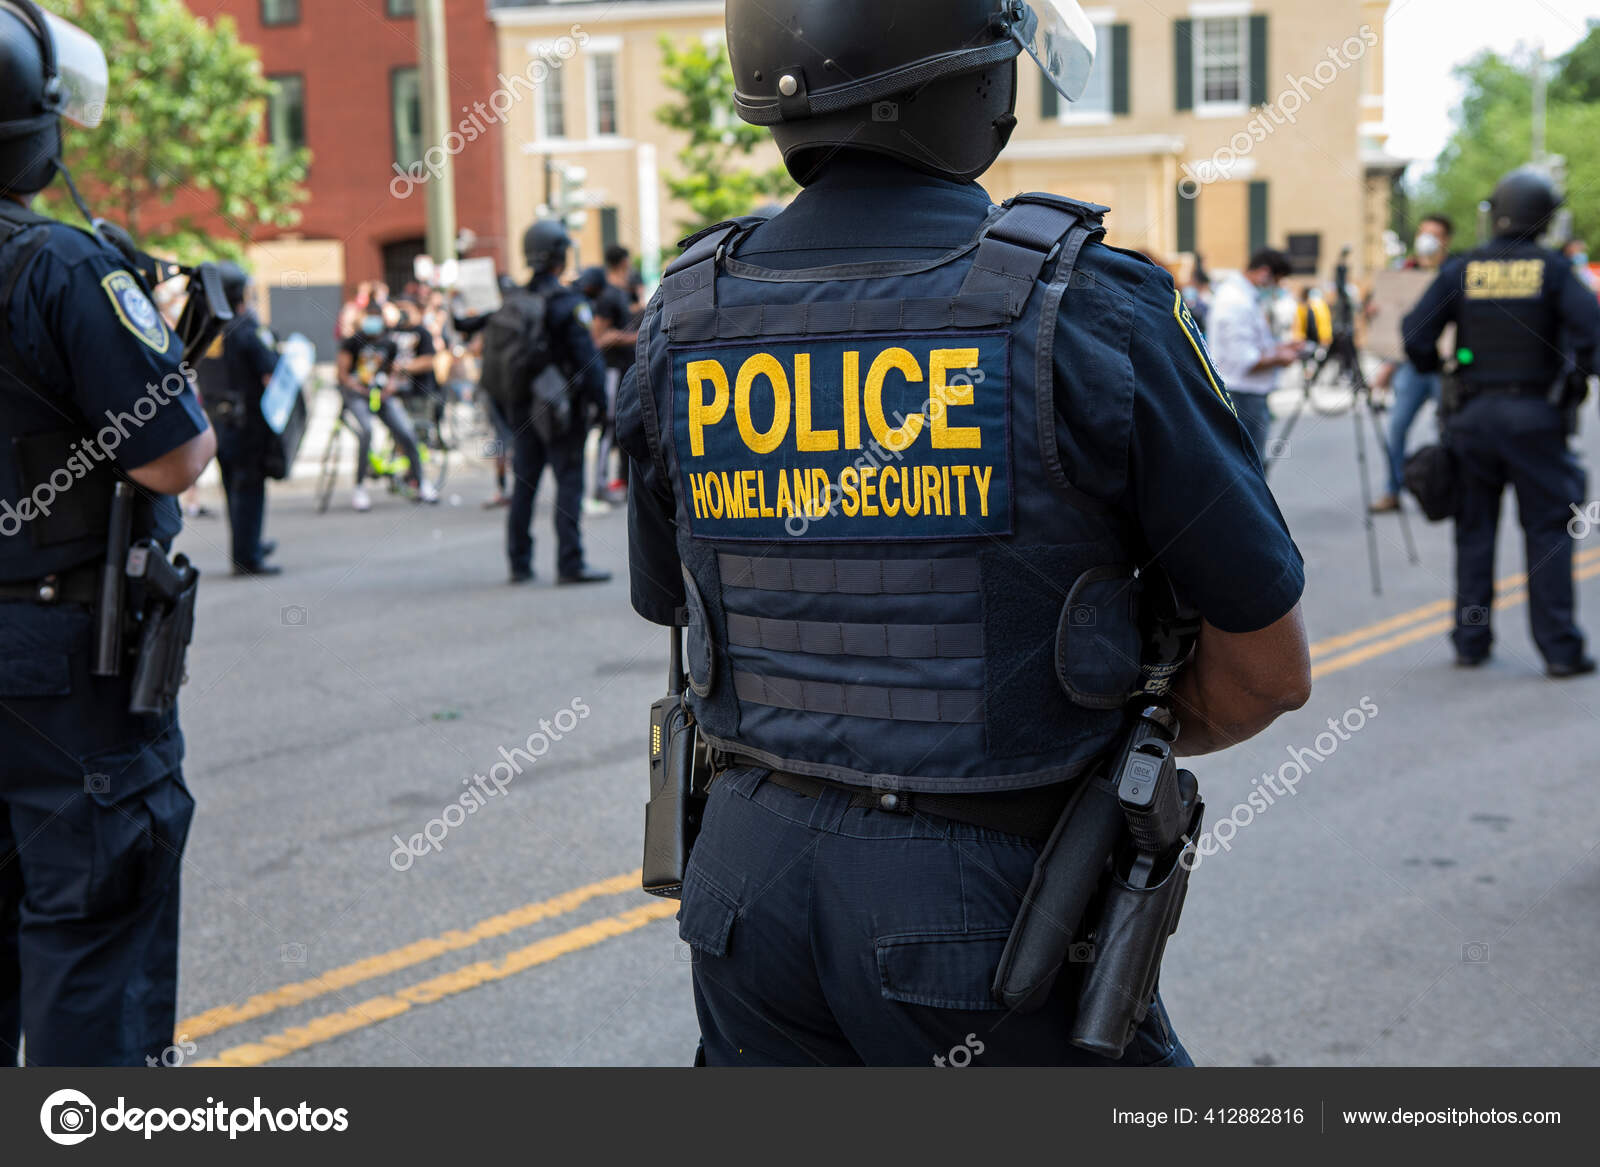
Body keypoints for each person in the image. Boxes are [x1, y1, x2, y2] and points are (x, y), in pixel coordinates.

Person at [617, 0, 1311, 1068]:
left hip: (744, 898)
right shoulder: (1087, 305)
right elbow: (1265, 671)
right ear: (975, 81)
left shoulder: (684, 314)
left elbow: (680, 611)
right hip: (987, 904)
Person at [0, 0, 216, 1065]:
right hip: (57, 672)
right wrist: (164, 344)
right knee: (94, 961)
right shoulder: (64, 267)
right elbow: (171, 455)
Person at [1405, 168, 1600, 677]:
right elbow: (1592, 334)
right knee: (1548, 533)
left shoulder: (1464, 269)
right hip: (1536, 418)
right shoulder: (1553, 270)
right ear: (1544, 219)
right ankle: (1560, 651)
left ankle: (1471, 640)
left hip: (1473, 417)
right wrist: (1574, 375)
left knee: (1474, 532)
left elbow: (1415, 335)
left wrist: (1442, 369)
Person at [504, 220, 609, 585]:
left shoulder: (515, 299)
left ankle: (519, 561)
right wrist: (603, 404)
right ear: (558, 256)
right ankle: (570, 562)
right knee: (568, 481)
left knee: (525, 484)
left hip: (523, 406)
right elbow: (588, 361)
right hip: (562, 408)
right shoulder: (569, 303)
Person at [196, 262, 280, 576]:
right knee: (249, 489)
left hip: (218, 422)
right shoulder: (244, 327)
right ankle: (248, 556)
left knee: (232, 488)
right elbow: (269, 365)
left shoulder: (206, 327)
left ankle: (247, 544)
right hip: (246, 424)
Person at [1370, 214, 1454, 513]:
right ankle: (1392, 490)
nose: (1426, 239)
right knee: (1396, 428)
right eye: (1423, 232)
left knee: (1449, 429)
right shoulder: (1403, 272)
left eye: (1434, 234)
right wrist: (1376, 314)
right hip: (1410, 366)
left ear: (1446, 239)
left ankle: (1448, 489)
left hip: (1446, 366)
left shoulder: (1452, 272)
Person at [336, 302, 438, 509]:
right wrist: (357, 387)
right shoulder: (352, 342)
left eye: (376, 316)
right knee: (366, 431)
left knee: (406, 432)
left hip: (381, 394)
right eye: (369, 315)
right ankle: (359, 487)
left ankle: (421, 482)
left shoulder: (388, 342)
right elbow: (342, 374)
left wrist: (389, 387)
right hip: (357, 395)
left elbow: (393, 370)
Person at [1206, 248, 1300, 457]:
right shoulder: (1236, 301)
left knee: (1251, 460)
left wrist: (1280, 349)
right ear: (1265, 272)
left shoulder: (1244, 297)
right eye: (1277, 281)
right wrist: (1280, 358)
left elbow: (1252, 345)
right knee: (1250, 463)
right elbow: (1244, 359)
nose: (1276, 288)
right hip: (1243, 394)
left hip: (1247, 392)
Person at [590, 245, 641, 504]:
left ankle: (623, 479)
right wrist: (635, 337)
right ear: (624, 262)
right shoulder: (608, 296)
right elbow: (599, 336)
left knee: (626, 424)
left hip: (627, 370)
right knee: (609, 426)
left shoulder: (622, 293)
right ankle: (599, 484)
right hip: (611, 371)